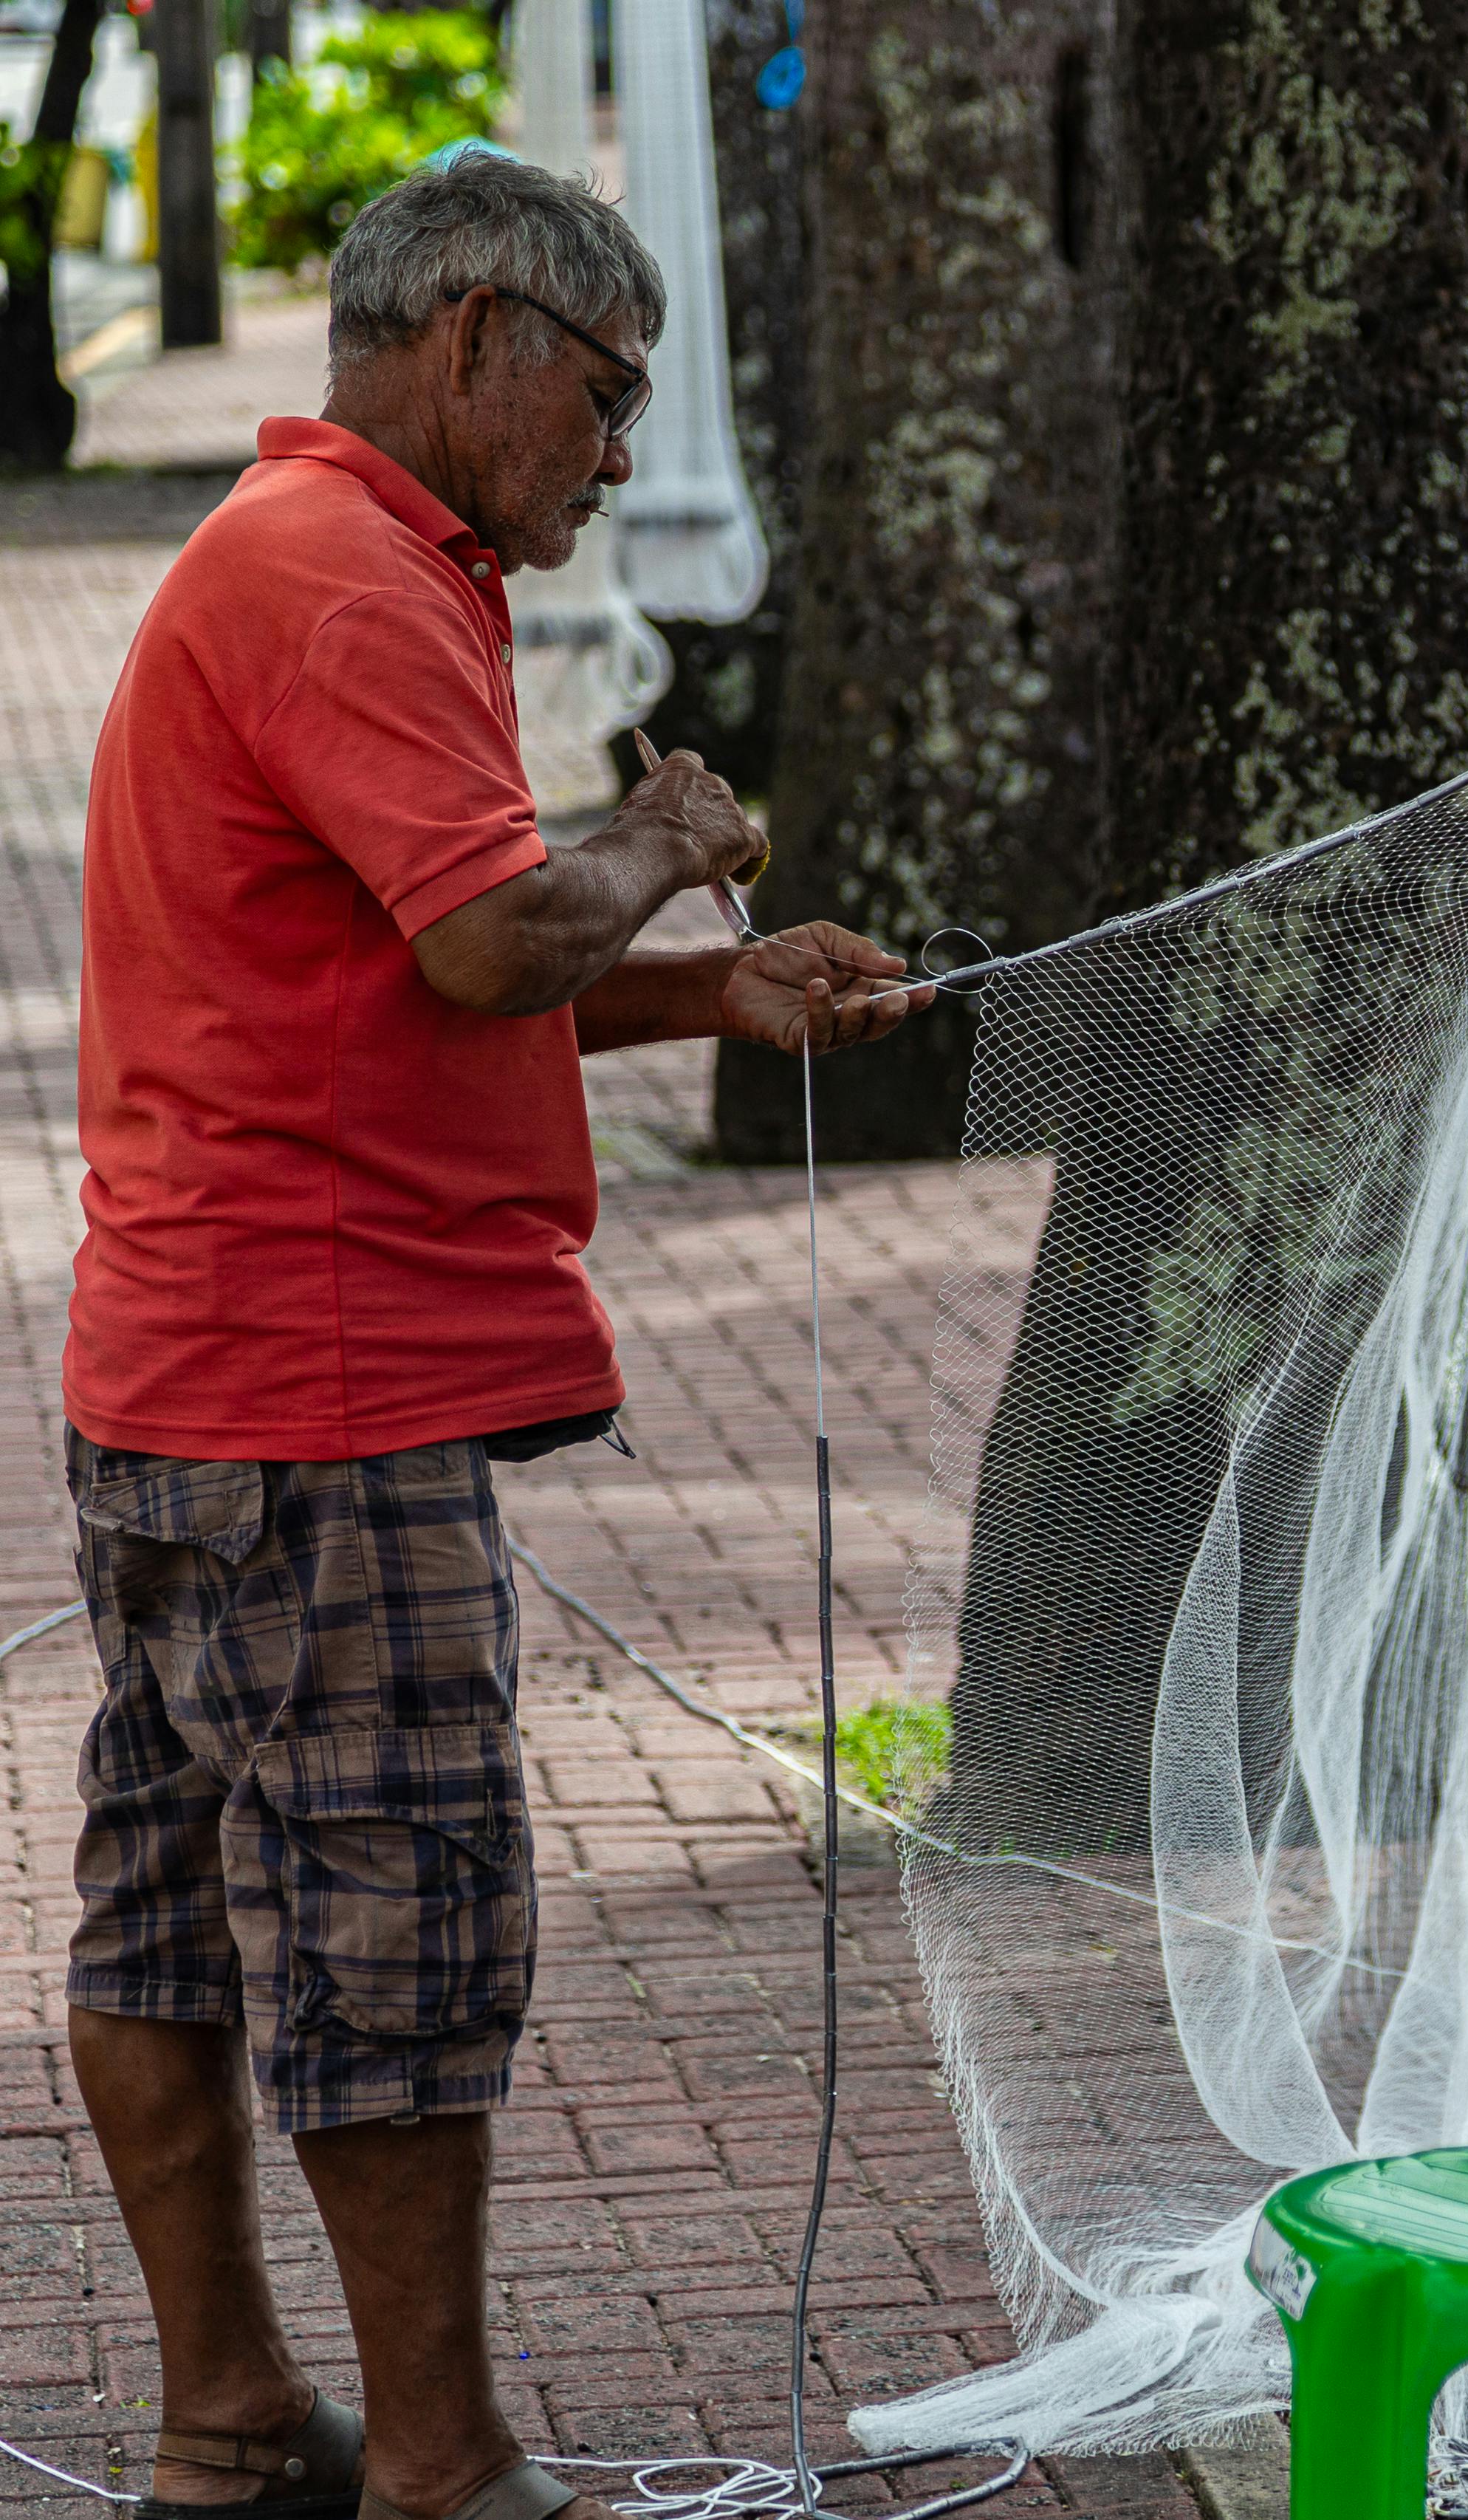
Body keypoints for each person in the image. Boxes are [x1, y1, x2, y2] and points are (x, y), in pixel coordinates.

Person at [60, 157, 932, 2520]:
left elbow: (388, 978)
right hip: (319, 1397)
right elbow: (479, 942)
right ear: (473, 336)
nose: (619, 447)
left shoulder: (333, 557)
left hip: (185, 1370)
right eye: (606, 388)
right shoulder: (345, 573)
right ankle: (438, 2469)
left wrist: (697, 989)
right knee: (396, 1926)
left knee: (168, 1897)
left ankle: (231, 2425)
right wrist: (660, 842)